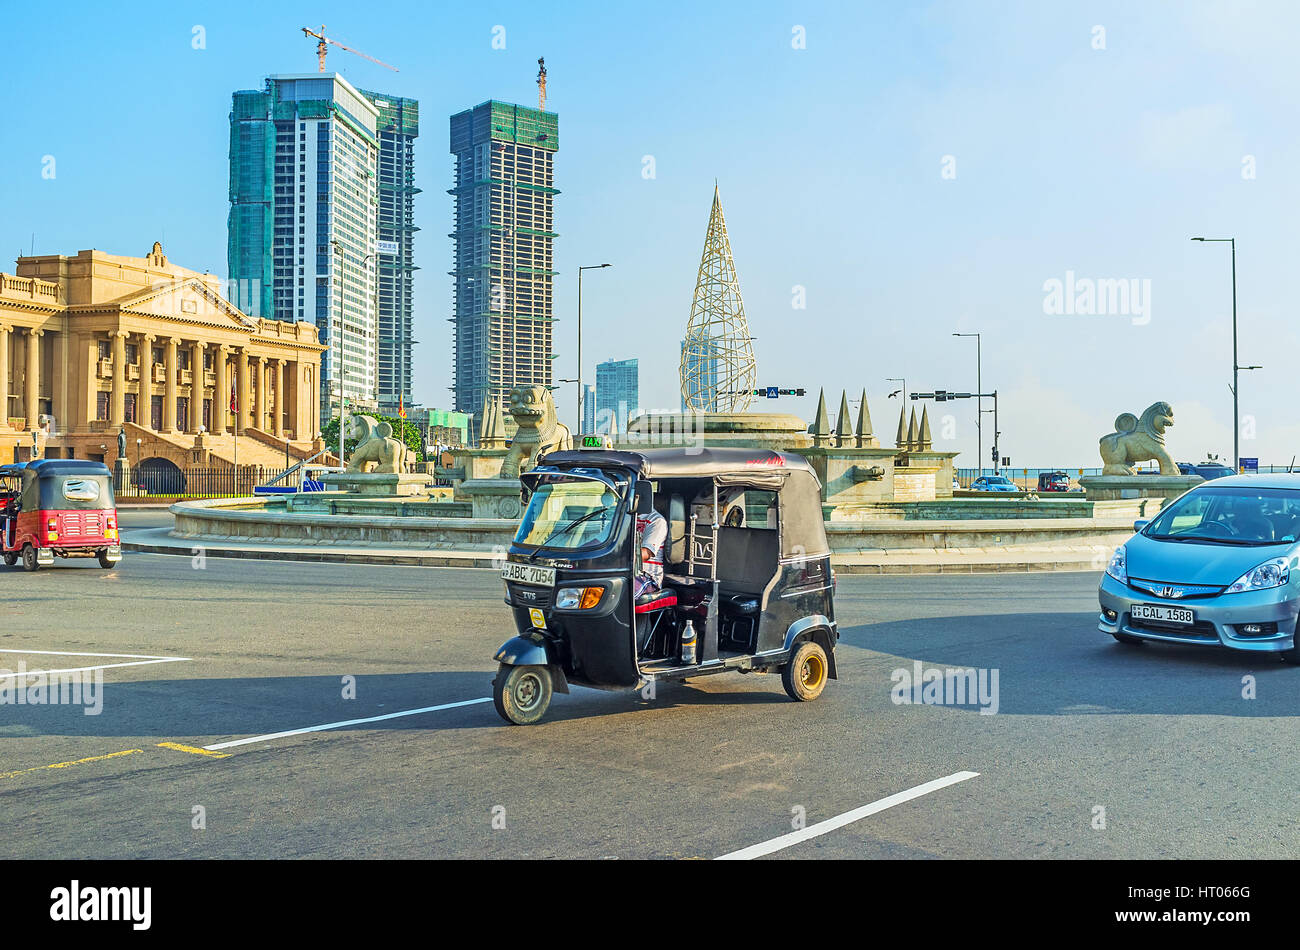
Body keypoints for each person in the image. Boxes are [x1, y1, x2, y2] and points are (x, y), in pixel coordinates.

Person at [634, 500, 668, 602]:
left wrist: (614, 558)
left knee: (622, 593)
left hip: (646, 576)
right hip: (623, 572)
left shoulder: (656, 520)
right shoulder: (623, 518)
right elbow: (597, 541)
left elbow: (645, 553)